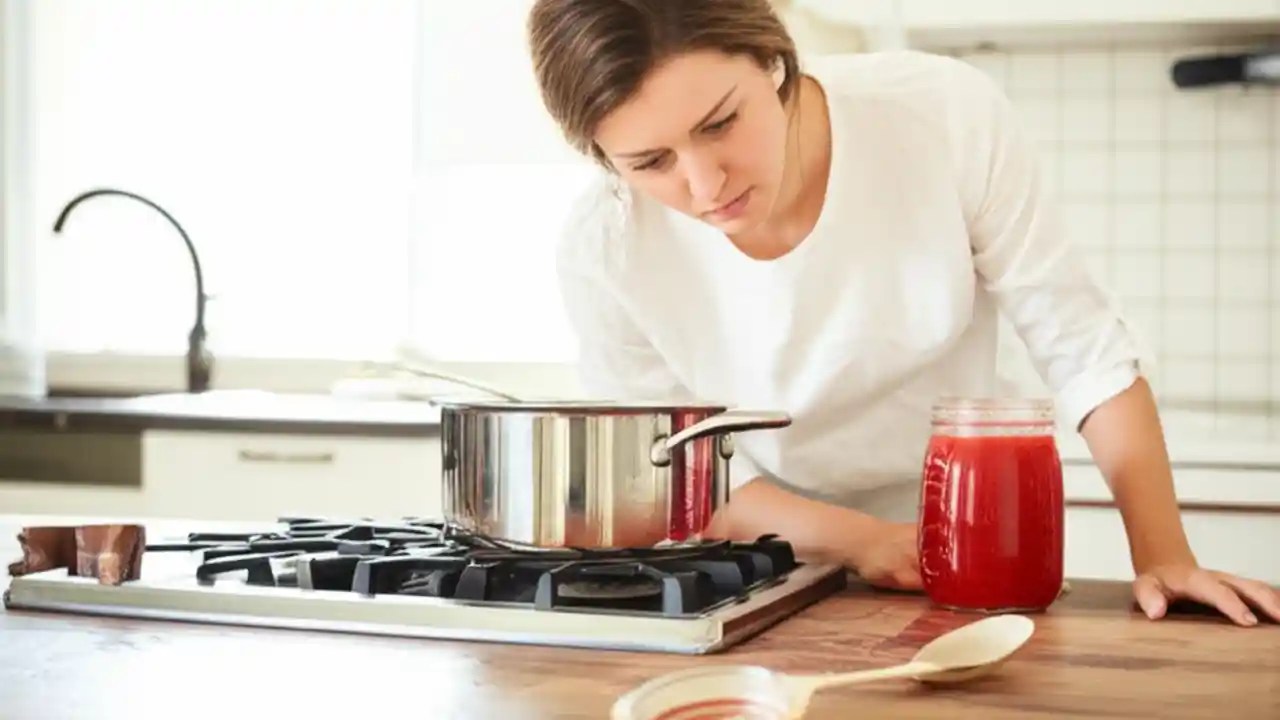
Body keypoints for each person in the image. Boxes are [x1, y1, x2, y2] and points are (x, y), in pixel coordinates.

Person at [525, 0, 1280, 627]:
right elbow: (674, 473)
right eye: (650, 163)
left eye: (721, 122)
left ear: (775, 62)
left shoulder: (938, 115)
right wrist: (861, 542)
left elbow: (1082, 348)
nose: (704, 182)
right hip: (762, 574)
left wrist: (1164, 555)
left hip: (969, 547)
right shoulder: (605, 250)